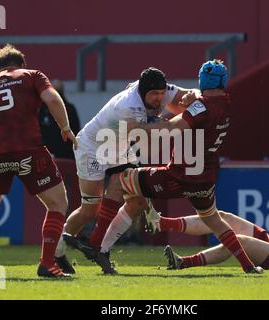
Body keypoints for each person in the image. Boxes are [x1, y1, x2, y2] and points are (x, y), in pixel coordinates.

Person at [90, 59, 264, 274]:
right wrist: (192, 100)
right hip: (205, 177)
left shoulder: (201, 108)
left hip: (178, 176)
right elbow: (200, 108)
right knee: (214, 220)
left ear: (202, 80)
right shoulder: (225, 103)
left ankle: (95, 244)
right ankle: (249, 266)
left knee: (117, 182)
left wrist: (141, 126)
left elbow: (173, 127)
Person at [54, 67, 196, 273]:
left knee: (138, 201)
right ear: (142, 92)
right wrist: (176, 121)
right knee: (89, 210)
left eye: (161, 93)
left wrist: (196, 94)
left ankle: (100, 249)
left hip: (120, 147)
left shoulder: (158, 90)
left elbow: (189, 95)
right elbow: (147, 135)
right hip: (93, 147)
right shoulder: (127, 106)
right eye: (154, 94)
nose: (159, 98)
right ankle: (55, 253)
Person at [0, 44, 78, 279]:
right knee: (57, 204)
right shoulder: (32, 76)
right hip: (29, 151)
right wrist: (65, 126)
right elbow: (52, 98)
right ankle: (47, 264)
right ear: (21, 64)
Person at [39, 79, 81, 159]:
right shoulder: (43, 110)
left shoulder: (70, 109)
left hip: (65, 157)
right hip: (48, 156)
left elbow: (75, 132)